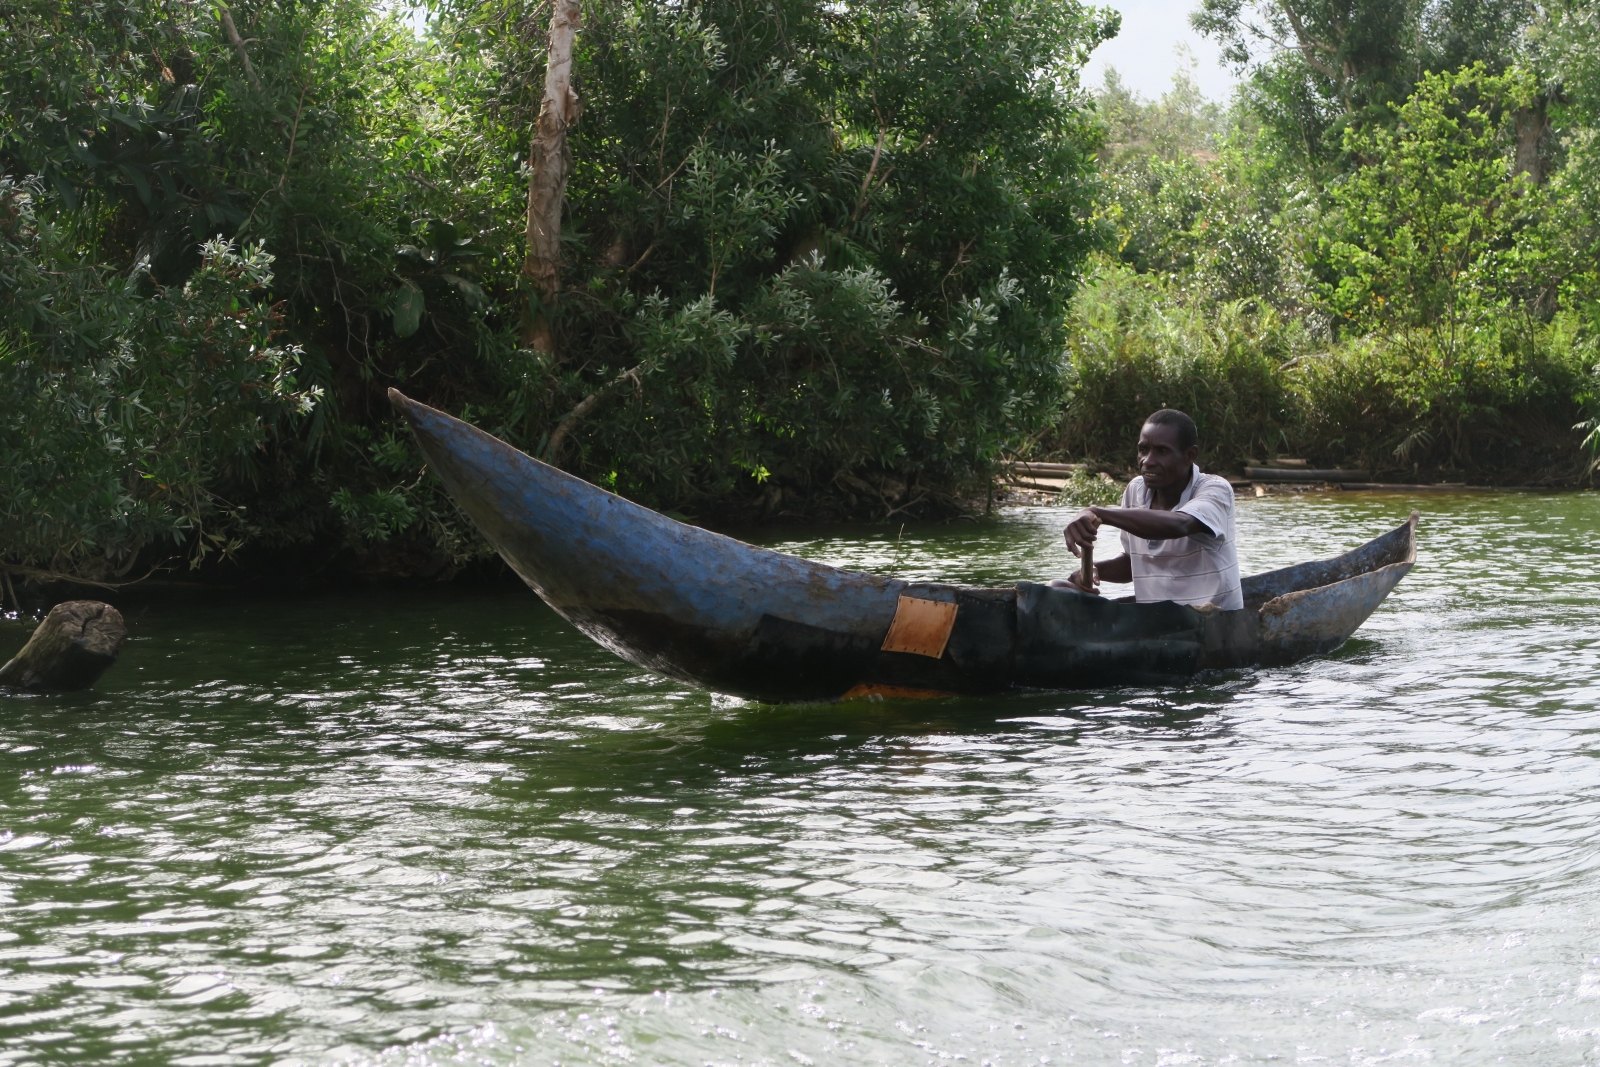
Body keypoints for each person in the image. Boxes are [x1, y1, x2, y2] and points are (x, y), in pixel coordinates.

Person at [1059, 409, 1243, 610]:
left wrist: (1099, 513)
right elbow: (1135, 563)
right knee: (1058, 589)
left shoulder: (1215, 489)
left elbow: (1179, 524)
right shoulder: (1135, 490)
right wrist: (1094, 571)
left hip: (1213, 624)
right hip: (1156, 624)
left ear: (1190, 455)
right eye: (1143, 449)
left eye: (1162, 451)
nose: (1148, 461)